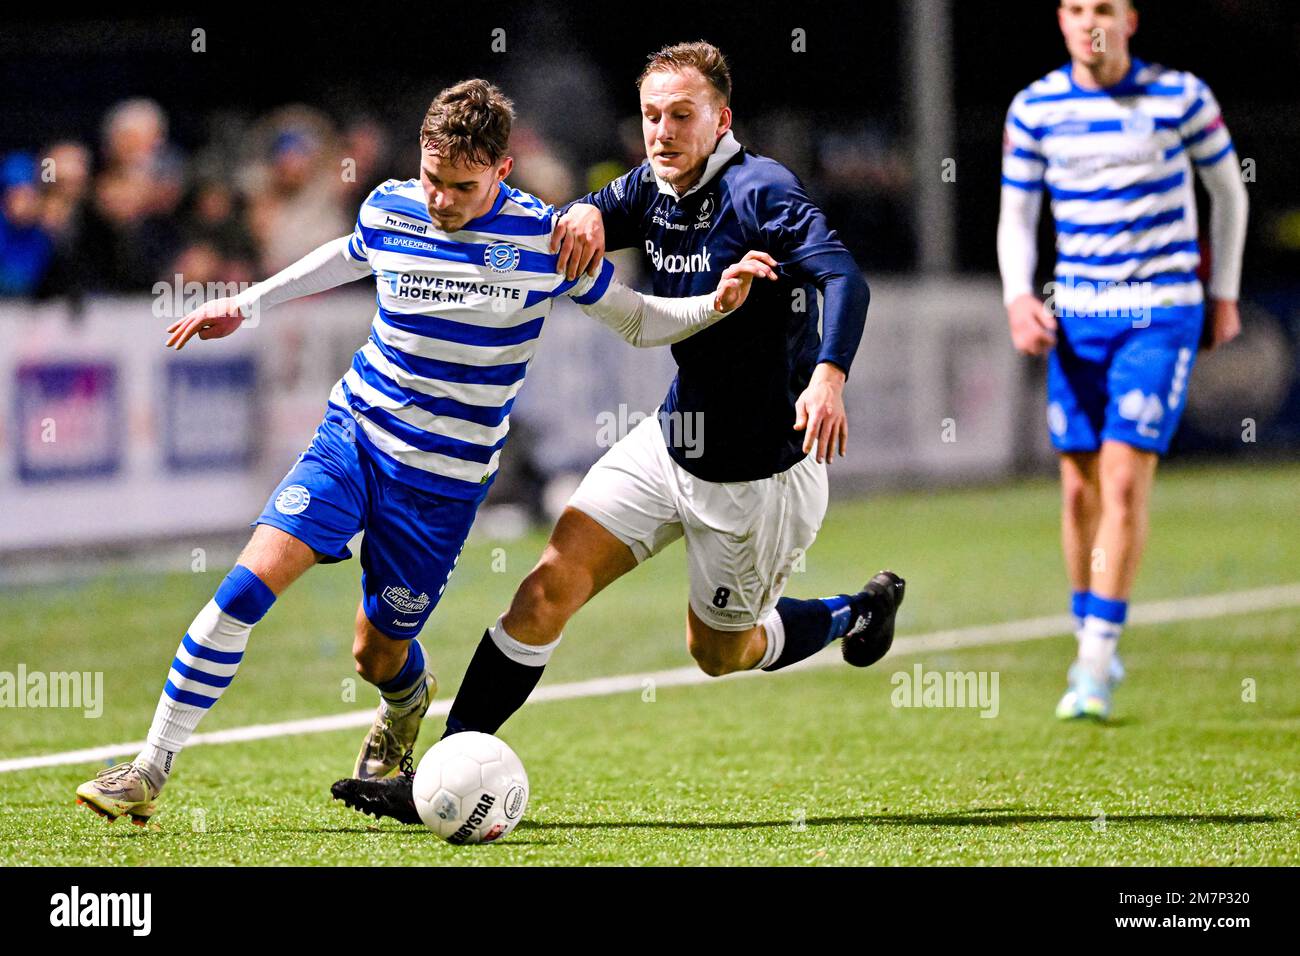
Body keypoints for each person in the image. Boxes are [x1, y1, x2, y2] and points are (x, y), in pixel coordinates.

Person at [74, 78, 778, 824]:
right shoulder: (391, 204)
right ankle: (149, 767)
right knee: (247, 588)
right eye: (433, 178)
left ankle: (405, 702)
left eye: (461, 187)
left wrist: (714, 304)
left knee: (375, 655)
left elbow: (639, 322)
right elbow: (346, 257)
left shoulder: (543, 241)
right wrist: (242, 306)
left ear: (502, 172)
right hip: (355, 436)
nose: (440, 199)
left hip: (441, 488)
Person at [333, 42, 904, 824]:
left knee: (719, 654)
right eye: (651, 116)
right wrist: (585, 210)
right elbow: (606, 205)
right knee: (544, 591)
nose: (662, 131)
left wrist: (830, 375)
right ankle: (434, 771)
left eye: (681, 116)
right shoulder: (657, 182)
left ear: (721, 120)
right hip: (668, 445)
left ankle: (852, 613)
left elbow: (846, 276)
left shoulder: (760, 192)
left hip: (758, 479)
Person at [997, 0, 1248, 719]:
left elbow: (1227, 191)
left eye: (1103, 8)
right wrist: (1020, 298)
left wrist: (1221, 291)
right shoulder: (1036, 107)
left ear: (1132, 19)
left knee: (1123, 478)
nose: (1089, 22)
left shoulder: (1180, 95)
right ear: (1060, 19)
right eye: (1076, 8)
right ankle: (1091, 637)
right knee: (1078, 490)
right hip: (1077, 316)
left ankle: (1096, 660)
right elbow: (1018, 213)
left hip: (1160, 311)